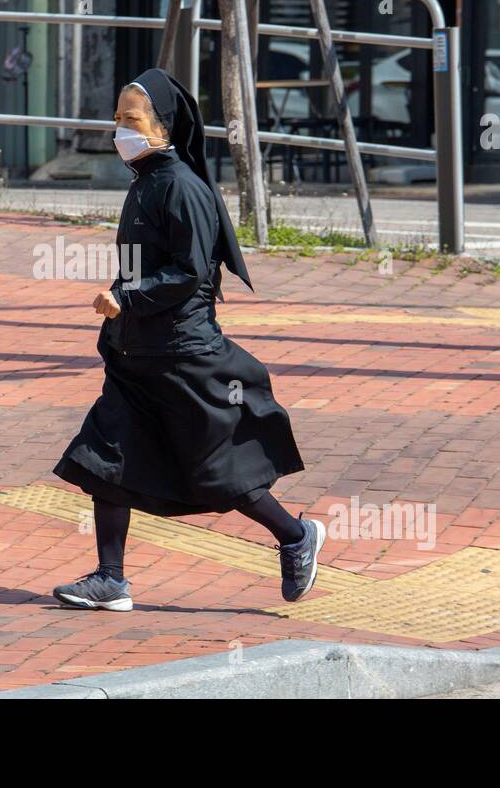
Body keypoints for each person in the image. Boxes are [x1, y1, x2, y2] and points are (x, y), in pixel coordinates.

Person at [51, 68, 325, 613]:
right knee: (105, 460)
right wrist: (117, 299)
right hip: (135, 358)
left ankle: (295, 536)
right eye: (116, 120)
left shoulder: (180, 187)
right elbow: (138, 267)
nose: (118, 131)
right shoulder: (145, 183)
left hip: (184, 358)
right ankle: (111, 580)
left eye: (130, 120)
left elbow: (189, 272)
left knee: (218, 474)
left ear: (162, 125)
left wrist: (127, 300)